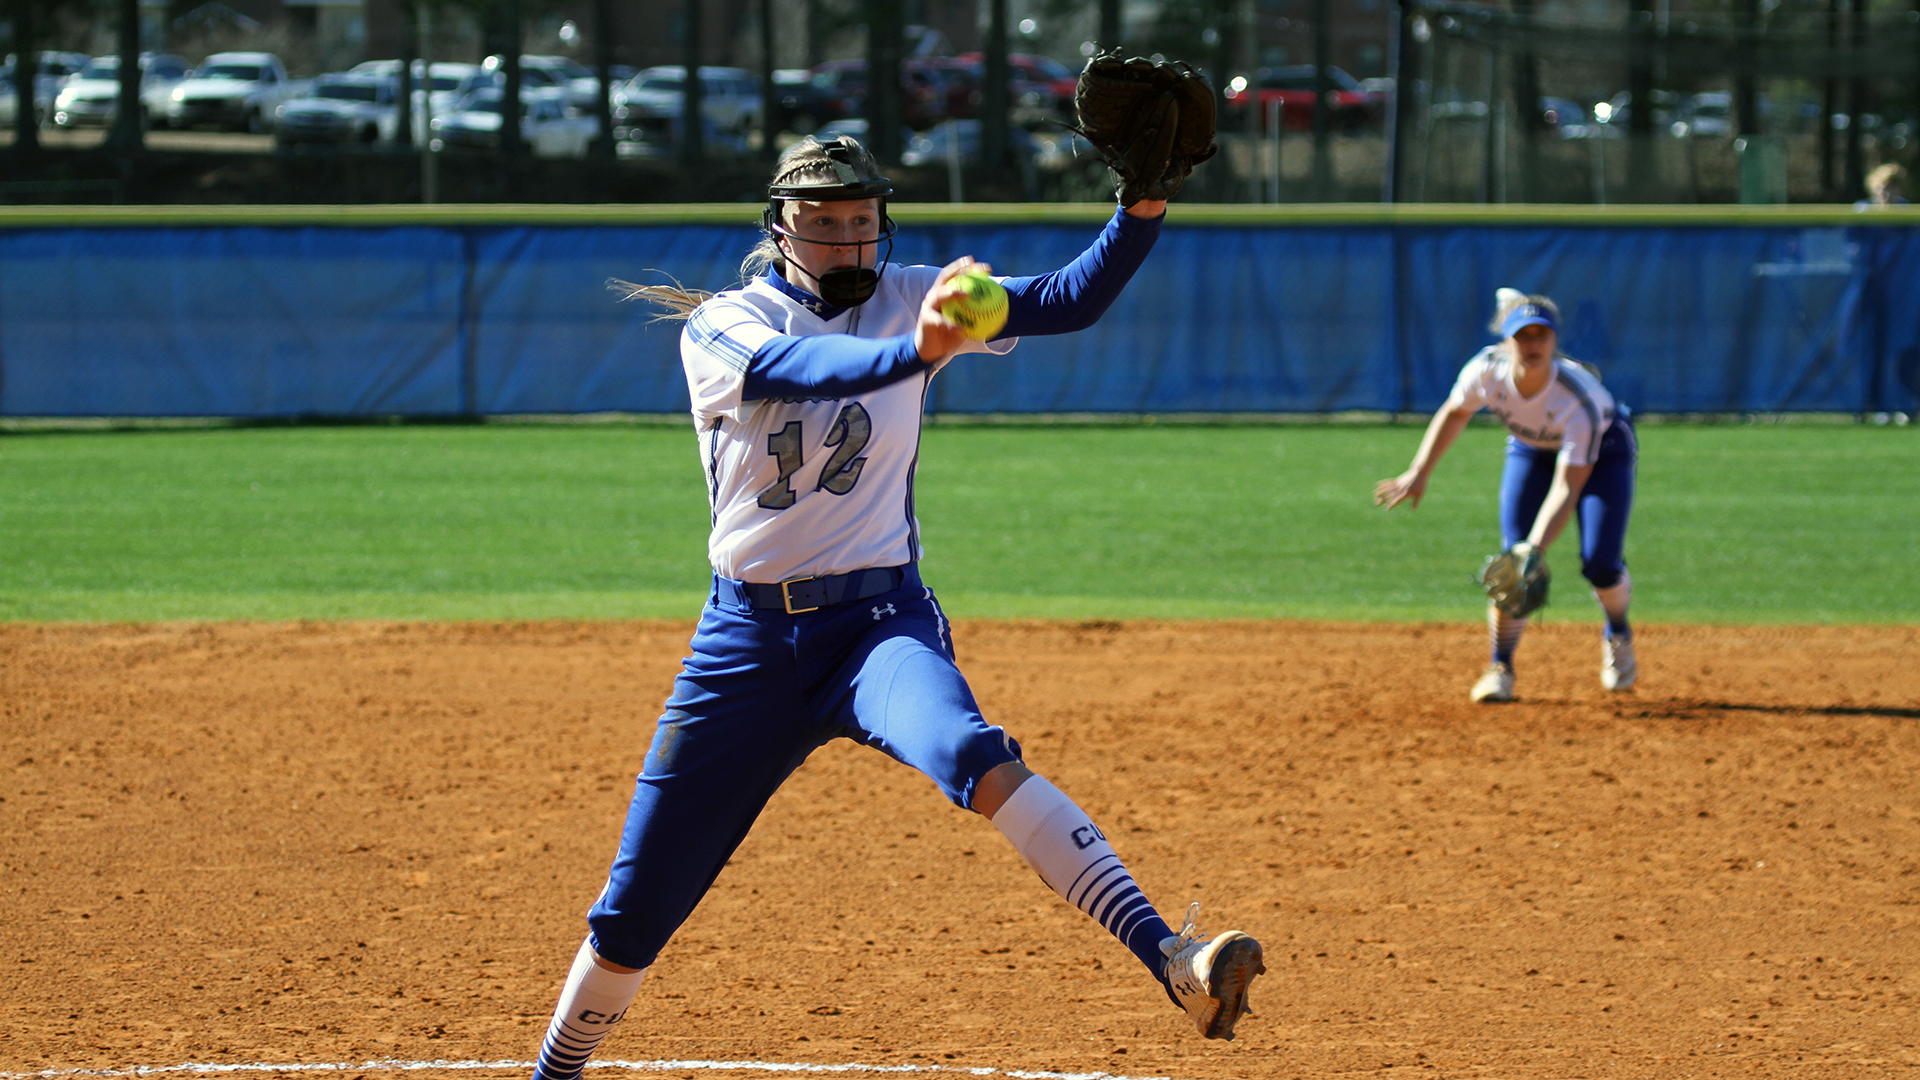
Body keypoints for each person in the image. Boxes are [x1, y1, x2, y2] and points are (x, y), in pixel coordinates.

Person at [524, 134, 1266, 1080]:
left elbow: (1070, 301)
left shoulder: (919, 295)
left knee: (968, 749)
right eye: (822, 224)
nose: (844, 241)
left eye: (860, 223)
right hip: (746, 642)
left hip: (879, 624)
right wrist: (919, 350)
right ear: (780, 229)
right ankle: (554, 1072)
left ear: (883, 227)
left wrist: (1141, 207)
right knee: (636, 908)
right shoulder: (723, 322)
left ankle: (1176, 963)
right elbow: (807, 372)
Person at [1374, 288, 1638, 703]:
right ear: (1505, 341)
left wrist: (1536, 546)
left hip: (1602, 454)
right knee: (1512, 564)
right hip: (1531, 448)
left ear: (1554, 340)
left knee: (1600, 563)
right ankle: (1501, 668)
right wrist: (1419, 470)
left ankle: (1617, 632)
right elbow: (1456, 411)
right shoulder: (1486, 370)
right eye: (1522, 336)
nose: (1533, 344)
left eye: (1541, 335)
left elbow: (1568, 486)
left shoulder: (1579, 398)